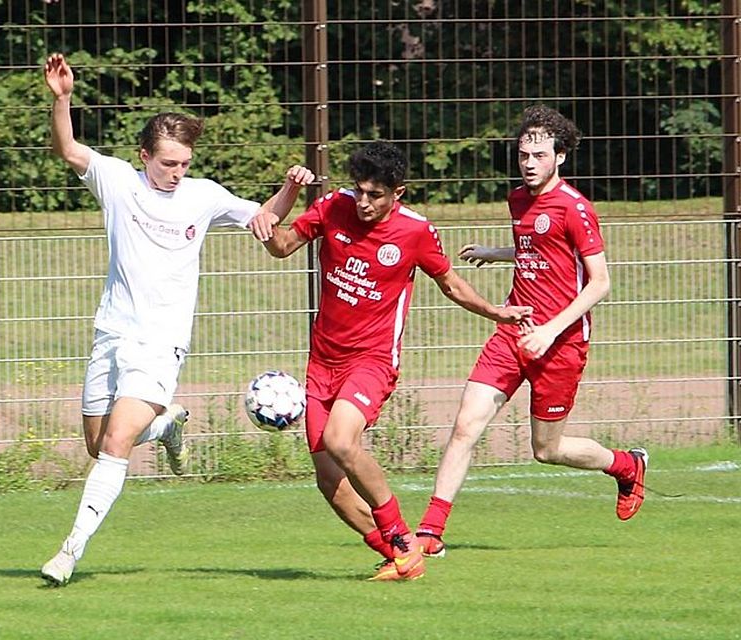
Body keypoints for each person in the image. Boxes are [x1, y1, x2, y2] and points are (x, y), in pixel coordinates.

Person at [39, 53, 312, 586]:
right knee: (98, 444)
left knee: (115, 446)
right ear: (145, 157)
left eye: (184, 163)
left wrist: (290, 189)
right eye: (168, 163)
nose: (177, 172)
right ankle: (165, 426)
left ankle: (69, 552)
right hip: (111, 335)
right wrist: (63, 98)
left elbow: (263, 219)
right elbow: (68, 149)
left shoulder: (203, 196)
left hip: (161, 343)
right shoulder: (118, 182)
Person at [256, 141, 532, 581]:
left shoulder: (415, 232)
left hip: (373, 358)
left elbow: (452, 285)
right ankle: (398, 558)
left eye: (375, 195)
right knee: (329, 481)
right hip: (322, 361)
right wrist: (278, 205)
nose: (363, 202)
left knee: (343, 442)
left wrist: (496, 312)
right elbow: (281, 244)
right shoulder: (333, 207)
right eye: (359, 191)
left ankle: (401, 535)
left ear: (397, 193)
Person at [414, 105, 649, 559]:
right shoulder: (518, 199)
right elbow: (537, 247)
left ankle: (626, 465)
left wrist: (550, 329)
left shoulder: (576, 208)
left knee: (547, 449)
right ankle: (430, 531)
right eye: (523, 154)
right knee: (466, 424)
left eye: (538, 155)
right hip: (513, 330)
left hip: (560, 343)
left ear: (560, 156)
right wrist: (497, 251)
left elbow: (600, 281)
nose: (528, 162)